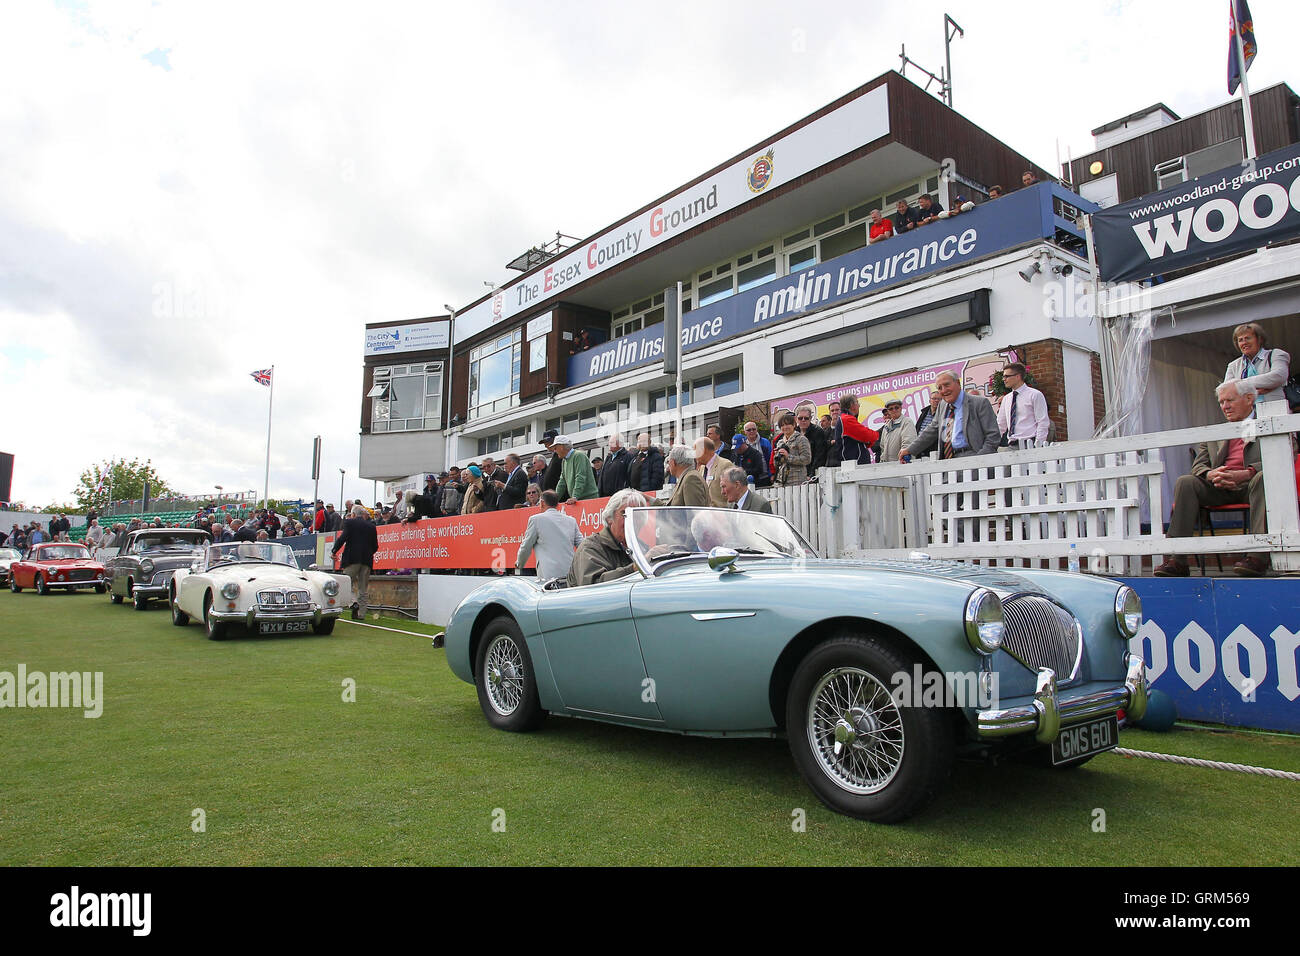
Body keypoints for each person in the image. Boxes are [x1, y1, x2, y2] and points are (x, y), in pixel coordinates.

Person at [1154, 380, 1284, 578]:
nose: (1225, 406)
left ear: (1249, 398)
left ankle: (1258, 557)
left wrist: (1247, 472)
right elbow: (1198, 465)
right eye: (1221, 402)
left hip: (1252, 485)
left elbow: (1284, 456)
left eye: (1229, 400)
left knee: (1264, 477)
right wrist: (1210, 474)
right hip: (1219, 487)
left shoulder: (1269, 422)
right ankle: (1177, 559)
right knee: (1185, 482)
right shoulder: (1216, 431)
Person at [903, 370, 1000, 460]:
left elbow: (993, 435)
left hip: (974, 458)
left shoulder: (979, 403)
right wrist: (909, 450)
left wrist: (981, 459)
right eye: (940, 388)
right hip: (948, 460)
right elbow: (931, 430)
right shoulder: (942, 405)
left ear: (958, 383)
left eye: (947, 385)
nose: (944, 390)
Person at [567, 489, 648, 587]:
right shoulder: (590, 548)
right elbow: (592, 585)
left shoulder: (642, 547)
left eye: (637, 514)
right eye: (625, 513)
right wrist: (635, 568)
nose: (632, 519)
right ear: (609, 518)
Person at [516, 490, 583, 581]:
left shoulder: (535, 520)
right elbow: (582, 545)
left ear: (542, 503)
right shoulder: (571, 520)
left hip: (548, 576)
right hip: (570, 574)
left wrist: (519, 564)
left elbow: (526, 547)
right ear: (557, 504)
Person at [1223, 322, 1291, 405]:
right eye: (1240, 340)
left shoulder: (1276, 354)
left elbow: (1278, 376)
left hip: (1274, 409)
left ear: (1259, 339)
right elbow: (1227, 390)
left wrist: (1241, 384)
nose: (1244, 342)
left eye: (1247, 338)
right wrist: (1262, 387)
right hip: (1246, 412)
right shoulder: (1233, 365)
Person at [332, 503, 379, 619]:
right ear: (363, 514)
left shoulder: (349, 523)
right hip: (367, 560)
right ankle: (361, 614)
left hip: (352, 558)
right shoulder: (372, 526)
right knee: (363, 588)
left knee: (346, 584)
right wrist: (368, 554)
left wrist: (334, 551)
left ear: (353, 514)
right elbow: (375, 546)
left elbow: (343, 538)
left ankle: (353, 603)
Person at [997, 362, 1050, 447]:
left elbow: (1042, 421)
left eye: (1007, 376)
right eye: (1003, 376)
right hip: (1012, 444)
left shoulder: (1034, 394)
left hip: (1030, 442)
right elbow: (1000, 424)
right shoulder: (1006, 399)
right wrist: (992, 444)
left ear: (1018, 376)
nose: (1004, 379)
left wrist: (1038, 445)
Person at [838, 395, 881, 465]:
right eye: (857, 403)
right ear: (852, 405)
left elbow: (867, 441)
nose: (859, 406)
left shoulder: (845, 418)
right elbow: (868, 436)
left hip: (855, 463)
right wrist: (879, 434)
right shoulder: (846, 419)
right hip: (855, 464)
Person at [553, 435, 599, 503]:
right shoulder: (564, 461)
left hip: (588, 499)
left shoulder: (579, 455)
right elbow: (562, 482)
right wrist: (554, 500)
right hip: (578, 500)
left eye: (555, 448)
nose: (554, 451)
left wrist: (575, 496)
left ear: (561, 447)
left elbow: (580, 476)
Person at [773, 412, 812, 484]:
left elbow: (807, 459)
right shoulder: (780, 442)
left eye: (788, 424)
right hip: (782, 480)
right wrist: (777, 456)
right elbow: (776, 464)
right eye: (782, 425)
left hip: (797, 481)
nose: (785, 427)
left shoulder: (801, 439)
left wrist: (788, 456)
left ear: (794, 425)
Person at [876, 398, 917, 463]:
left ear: (901, 408)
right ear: (888, 411)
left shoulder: (907, 422)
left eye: (896, 407)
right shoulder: (886, 426)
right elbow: (882, 447)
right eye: (891, 409)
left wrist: (903, 459)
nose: (894, 410)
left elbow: (908, 443)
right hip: (888, 465)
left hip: (903, 463)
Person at [694, 436, 731, 507]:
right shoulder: (701, 468)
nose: (694, 455)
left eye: (696, 451)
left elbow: (731, 493)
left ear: (703, 451)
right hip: (705, 514)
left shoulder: (725, 465)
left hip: (721, 514)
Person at [794, 405, 827, 471]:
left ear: (810, 418)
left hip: (812, 471)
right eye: (800, 418)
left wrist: (812, 474)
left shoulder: (818, 431)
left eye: (806, 418)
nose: (803, 420)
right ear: (796, 419)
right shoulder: (793, 433)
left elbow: (820, 455)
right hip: (797, 472)